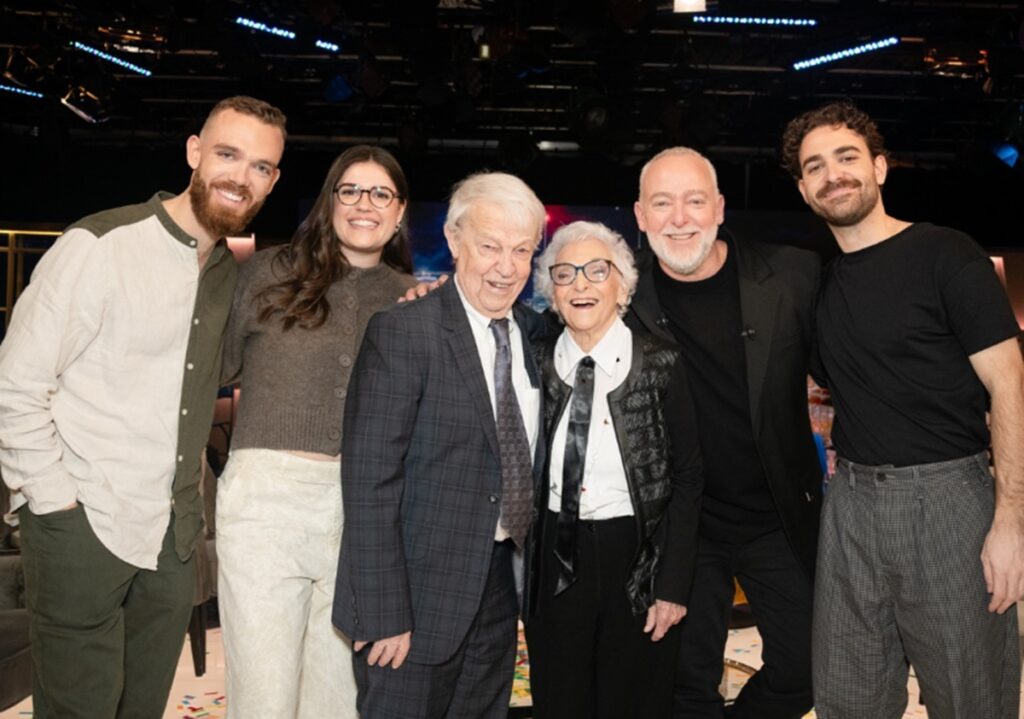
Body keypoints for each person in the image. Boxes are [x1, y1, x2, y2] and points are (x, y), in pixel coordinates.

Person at [0, 95, 286, 719]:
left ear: (273, 180)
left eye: (260, 166)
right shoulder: (101, 244)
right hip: (85, 525)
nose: (241, 177)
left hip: (170, 539)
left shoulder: (225, 276)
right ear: (193, 153)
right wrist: (54, 502)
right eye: (227, 154)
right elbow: (15, 384)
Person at [782, 101, 1024, 719]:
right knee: (846, 700)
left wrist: (1011, 523)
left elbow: (1010, 386)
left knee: (972, 700)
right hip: (853, 509)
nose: (834, 174)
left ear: (881, 168)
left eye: (847, 157)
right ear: (805, 190)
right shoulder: (822, 288)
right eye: (816, 167)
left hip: (948, 504)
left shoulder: (947, 253)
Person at [332, 171, 546, 718]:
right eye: (490, 246)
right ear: (454, 241)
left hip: (500, 589)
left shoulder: (538, 334)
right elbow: (369, 482)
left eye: (522, 250)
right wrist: (382, 613)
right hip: (413, 600)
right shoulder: (404, 332)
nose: (506, 266)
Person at [217, 145, 417, 718]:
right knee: (263, 693)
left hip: (363, 509)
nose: (364, 204)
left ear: (400, 211)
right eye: (349, 190)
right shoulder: (267, 273)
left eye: (381, 193)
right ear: (330, 201)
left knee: (339, 699)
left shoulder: (412, 299)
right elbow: (208, 367)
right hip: (265, 503)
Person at [629, 147, 821, 719]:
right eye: (662, 203)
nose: (680, 218)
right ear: (640, 216)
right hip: (685, 529)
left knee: (807, 670)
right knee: (685, 685)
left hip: (777, 520)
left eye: (694, 201)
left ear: (719, 207)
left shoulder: (792, 275)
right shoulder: (622, 293)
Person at [525, 220, 703, 719]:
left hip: (638, 560)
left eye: (596, 271)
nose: (580, 284)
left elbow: (689, 478)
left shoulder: (662, 362)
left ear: (622, 285)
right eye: (565, 274)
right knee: (560, 701)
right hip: (555, 556)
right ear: (551, 293)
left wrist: (671, 585)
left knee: (633, 702)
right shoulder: (533, 360)